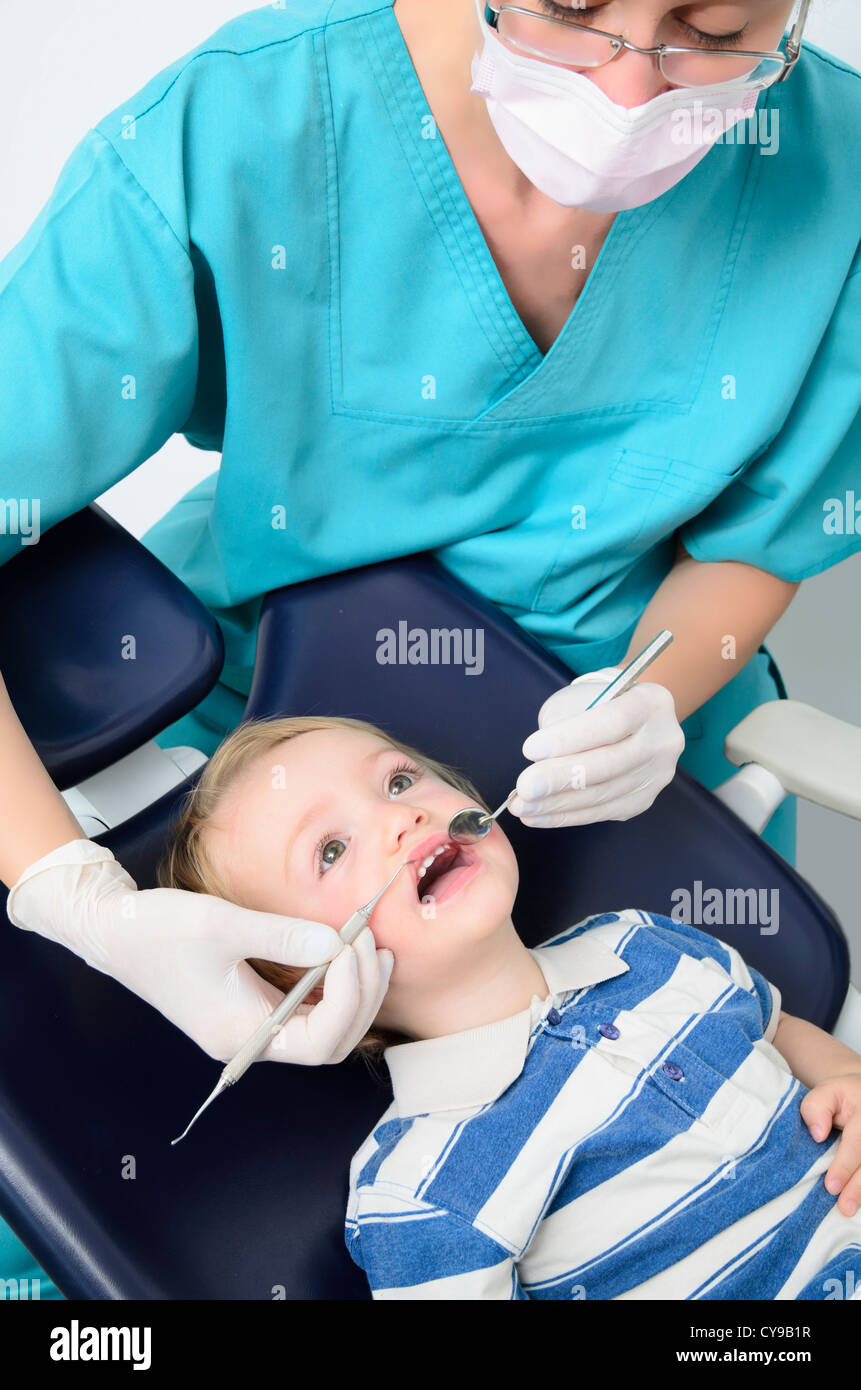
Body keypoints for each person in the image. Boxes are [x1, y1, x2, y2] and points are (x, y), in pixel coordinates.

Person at [1, 0, 859, 1294]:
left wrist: (655, 698)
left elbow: (775, 528)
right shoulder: (243, 123)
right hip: (239, 701)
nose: (630, 88)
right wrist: (75, 889)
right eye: (572, 10)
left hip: (619, 727)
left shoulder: (660, 950)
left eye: (711, 27)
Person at [158, 712, 861, 1300]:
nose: (402, 816)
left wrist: (850, 1082)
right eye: (333, 849)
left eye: (399, 780)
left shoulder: (645, 943)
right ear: (306, 992)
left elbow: (777, 1029)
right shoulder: (422, 1189)